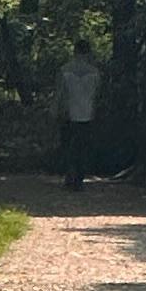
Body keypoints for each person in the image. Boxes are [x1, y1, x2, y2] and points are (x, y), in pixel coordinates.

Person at [57, 44, 102, 189]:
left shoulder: (64, 70)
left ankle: (69, 175)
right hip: (87, 114)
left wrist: (57, 110)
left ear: (75, 52)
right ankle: (79, 178)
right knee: (83, 147)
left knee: (68, 146)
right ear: (88, 53)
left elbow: (61, 94)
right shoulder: (94, 72)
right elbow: (97, 95)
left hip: (69, 114)